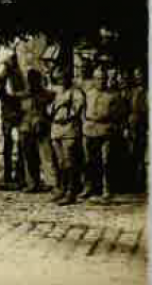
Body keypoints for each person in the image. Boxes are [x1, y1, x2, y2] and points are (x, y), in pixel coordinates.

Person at [82, 66, 125, 201]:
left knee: (106, 161)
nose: (101, 81)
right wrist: (85, 122)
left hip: (106, 129)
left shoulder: (114, 95)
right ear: (93, 80)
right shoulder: (88, 93)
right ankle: (90, 187)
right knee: (89, 161)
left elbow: (120, 114)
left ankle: (107, 189)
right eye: (98, 78)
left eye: (103, 79)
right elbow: (83, 110)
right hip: (89, 129)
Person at [49, 66, 86, 206]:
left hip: (69, 129)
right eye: (58, 78)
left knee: (69, 161)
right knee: (60, 162)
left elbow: (77, 109)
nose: (61, 81)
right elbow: (50, 107)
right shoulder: (57, 92)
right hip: (56, 129)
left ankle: (71, 191)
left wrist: (66, 116)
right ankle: (62, 189)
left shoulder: (75, 92)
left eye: (63, 78)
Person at [15, 68, 55, 193]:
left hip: (42, 127)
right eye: (30, 80)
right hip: (26, 128)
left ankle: (52, 183)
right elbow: (15, 111)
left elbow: (53, 110)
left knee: (46, 156)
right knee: (28, 157)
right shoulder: (22, 95)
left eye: (35, 79)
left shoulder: (49, 95)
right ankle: (32, 183)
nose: (32, 82)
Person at [0, 55, 28, 189]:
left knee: (17, 145)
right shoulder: (7, 79)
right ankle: (10, 174)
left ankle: (18, 174)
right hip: (10, 115)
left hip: (15, 114)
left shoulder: (17, 77)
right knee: (10, 145)